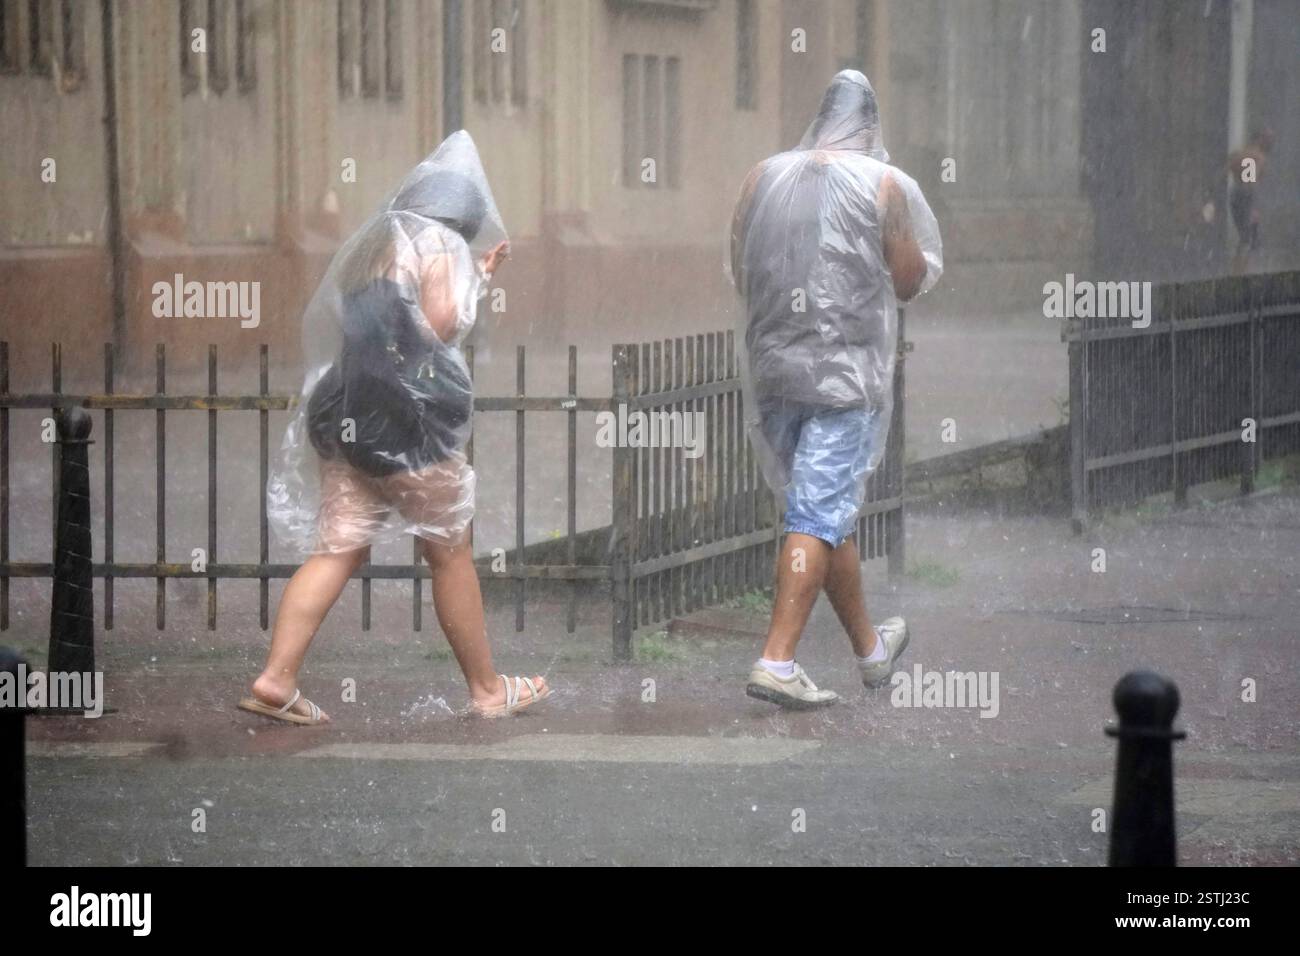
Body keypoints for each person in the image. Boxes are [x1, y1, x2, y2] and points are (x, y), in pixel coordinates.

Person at [239, 131, 550, 724]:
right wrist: (477, 278)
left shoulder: (375, 241)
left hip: (349, 415)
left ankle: (276, 678)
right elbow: (434, 328)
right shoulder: (439, 243)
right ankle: (487, 690)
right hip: (409, 425)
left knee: (336, 549)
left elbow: (371, 327)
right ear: (464, 210)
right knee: (450, 550)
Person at [729, 71, 942, 709]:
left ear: (820, 120)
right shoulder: (883, 185)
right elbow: (907, 281)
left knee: (823, 512)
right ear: (869, 128)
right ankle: (777, 659)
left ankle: (871, 652)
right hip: (844, 381)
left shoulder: (761, 177)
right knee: (818, 516)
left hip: (774, 372)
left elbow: (739, 262)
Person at [1226, 127, 1274, 274]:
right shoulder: (1258, 157)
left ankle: (1237, 270)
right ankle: (1241, 272)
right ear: (1259, 139)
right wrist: (1253, 206)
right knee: (1249, 238)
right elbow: (1251, 181)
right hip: (1246, 195)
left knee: (1245, 237)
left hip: (1235, 194)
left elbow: (1226, 169)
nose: (1271, 142)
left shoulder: (1240, 153)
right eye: (1268, 139)